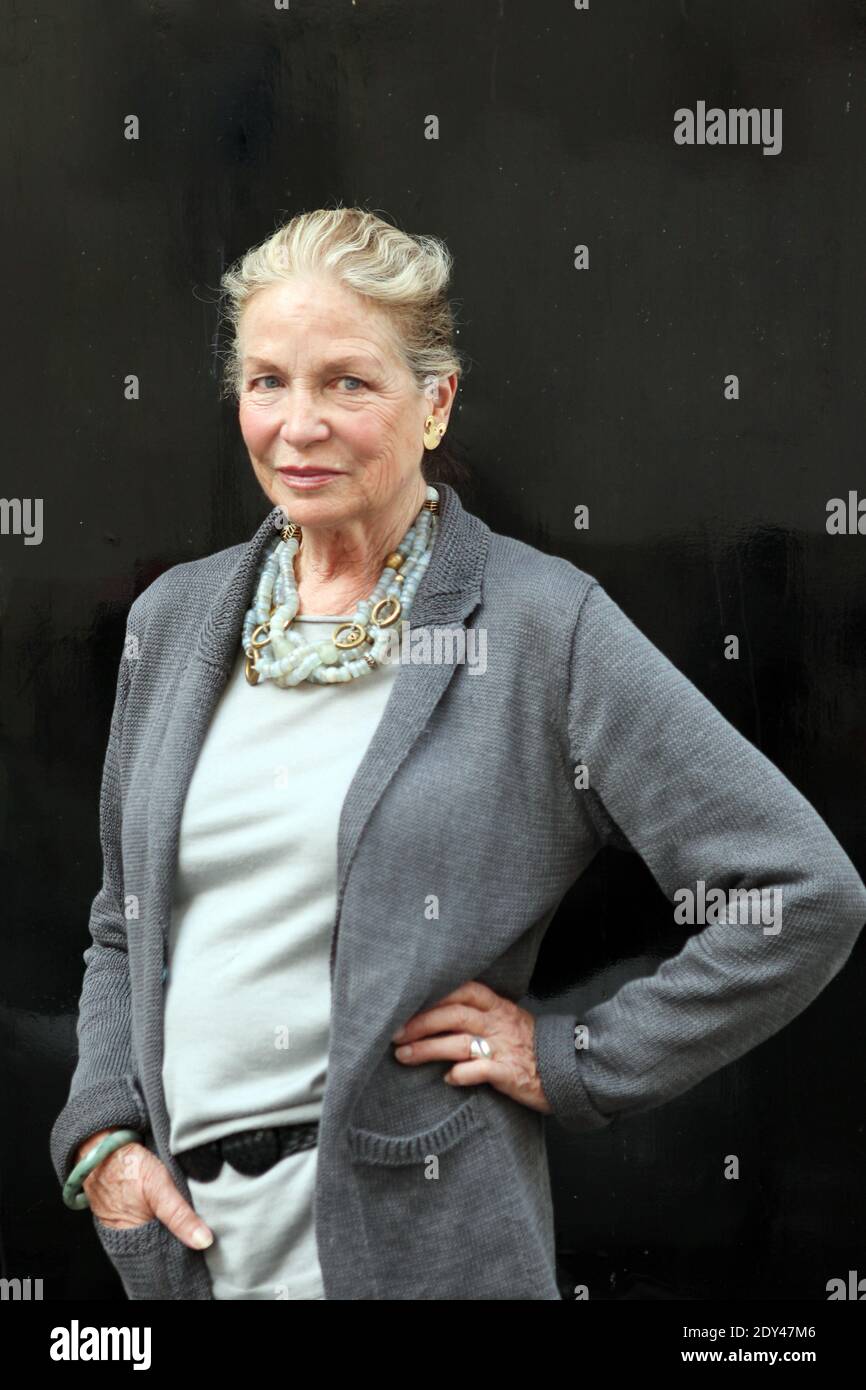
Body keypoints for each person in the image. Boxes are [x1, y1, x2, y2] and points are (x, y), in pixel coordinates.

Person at [50, 207, 866, 1301]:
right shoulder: (175, 620)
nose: (298, 426)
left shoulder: (539, 626)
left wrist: (574, 1055)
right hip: (193, 1259)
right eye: (266, 382)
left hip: (422, 1250)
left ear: (435, 402)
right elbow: (121, 923)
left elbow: (800, 889)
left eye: (348, 383)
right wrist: (102, 1136)